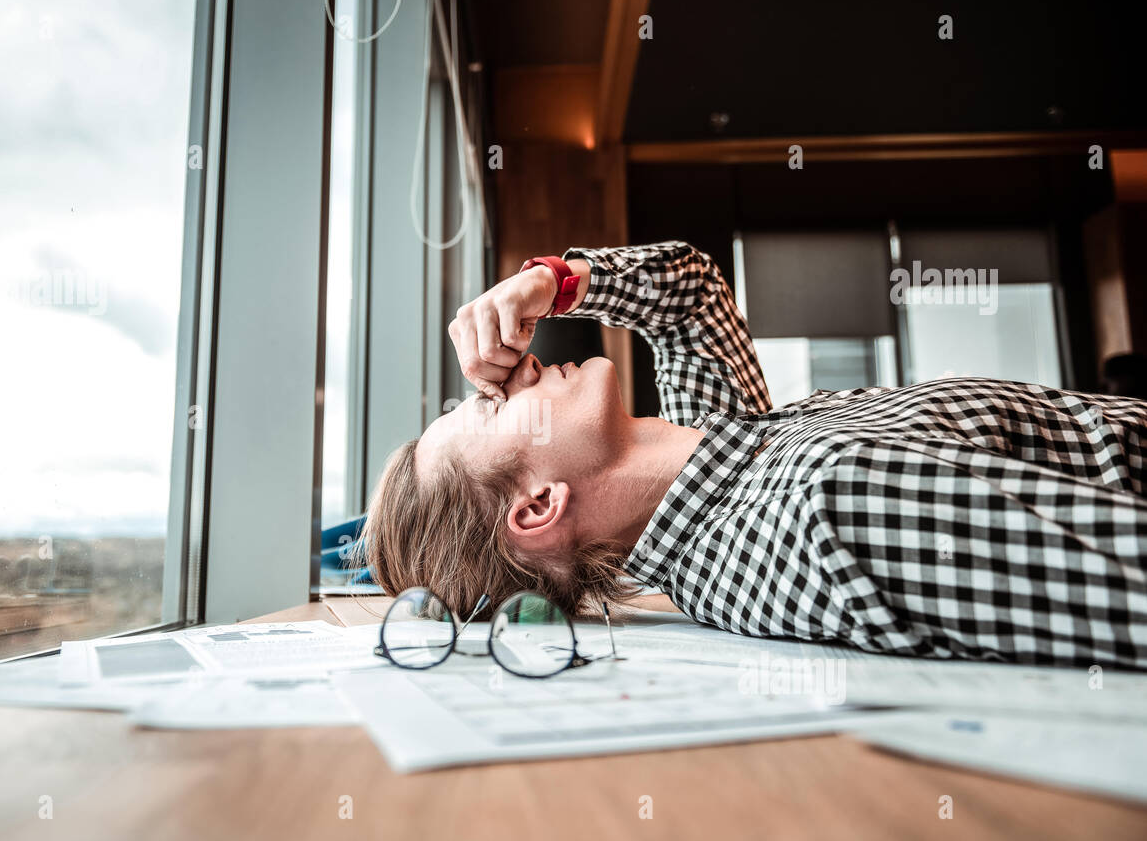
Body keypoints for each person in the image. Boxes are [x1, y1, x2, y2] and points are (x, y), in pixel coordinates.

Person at [365, 242, 1147, 669]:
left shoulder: (717, 450)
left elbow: (690, 292)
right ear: (537, 506)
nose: (520, 368)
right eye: (494, 405)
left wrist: (555, 280)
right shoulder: (819, 510)